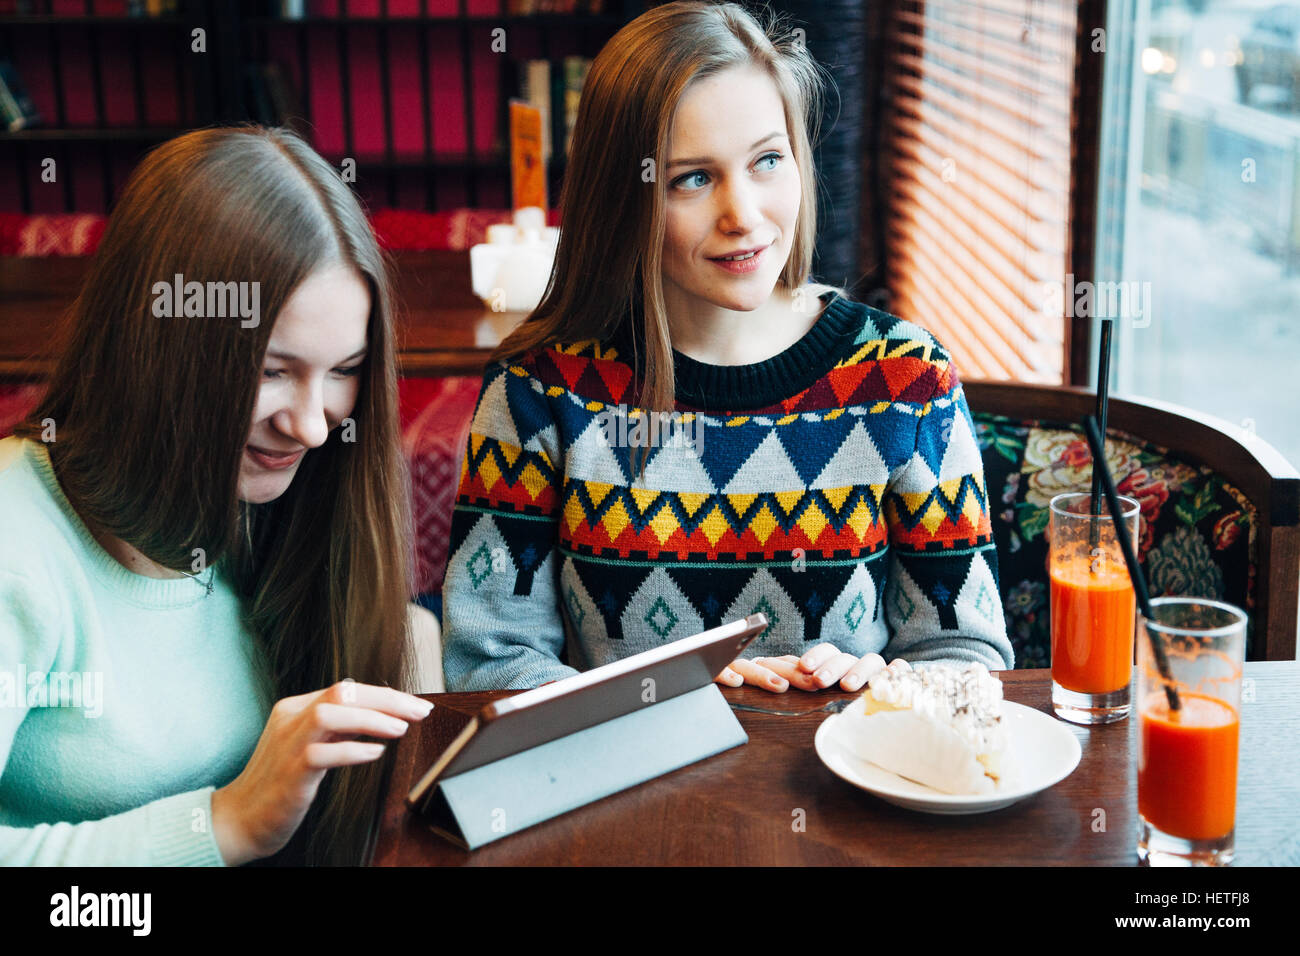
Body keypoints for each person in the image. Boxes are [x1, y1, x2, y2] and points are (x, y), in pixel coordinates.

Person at [440, 1, 1013, 694]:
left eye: (767, 160)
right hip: (629, 795)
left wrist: (890, 686)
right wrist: (674, 701)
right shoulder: (538, 392)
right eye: (693, 178)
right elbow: (486, 668)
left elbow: (965, 655)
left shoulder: (907, 379)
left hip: (849, 794)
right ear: (625, 195)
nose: (743, 214)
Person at [0, 126, 441, 866]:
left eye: (345, 370)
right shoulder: (20, 540)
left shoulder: (275, 507)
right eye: (272, 370)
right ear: (159, 348)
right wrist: (224, 825)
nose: (309, 424)